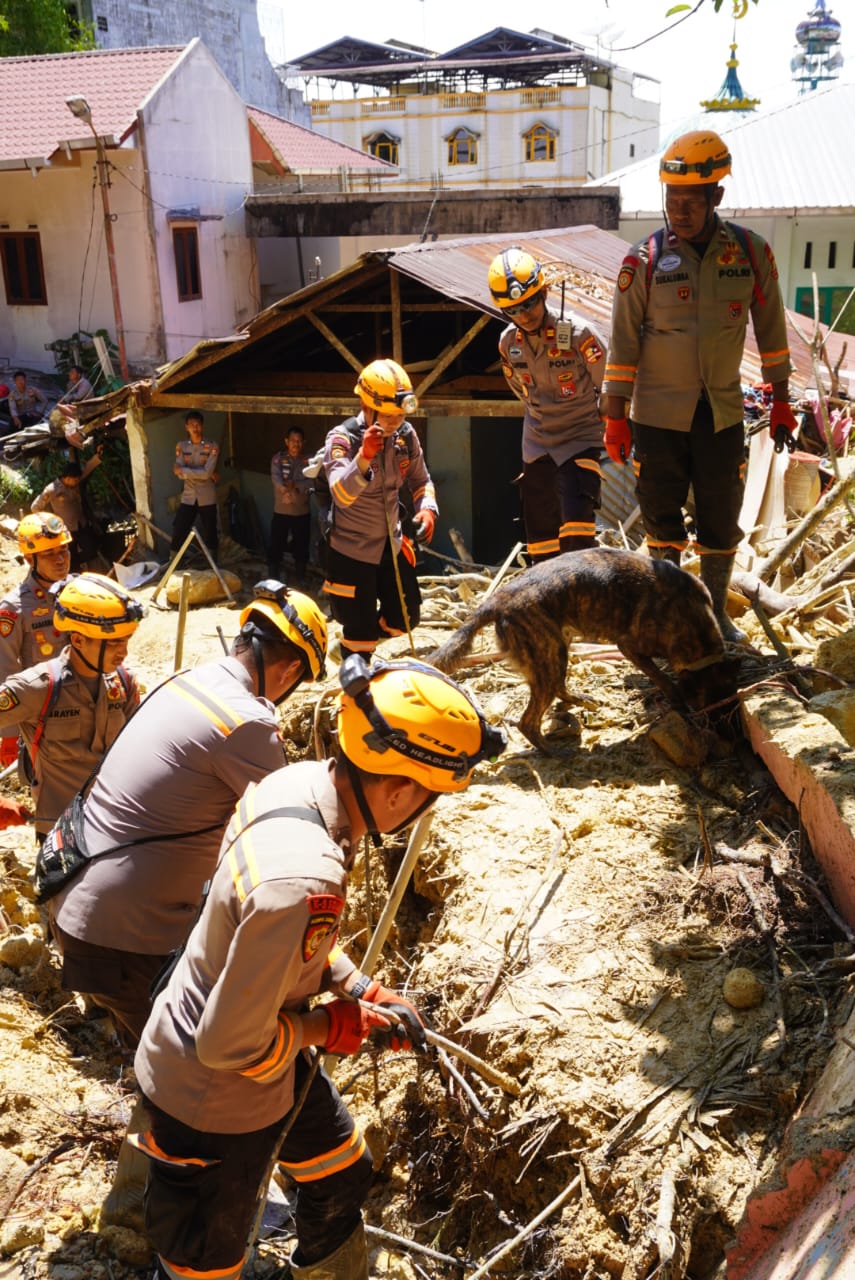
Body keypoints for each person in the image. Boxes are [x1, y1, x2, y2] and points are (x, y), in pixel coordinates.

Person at [132, 655, 507, 1280]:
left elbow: (284, 938)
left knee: (341, 1171)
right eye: (431, 799)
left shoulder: (303, 785)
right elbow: (227, 1044)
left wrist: (356, 985)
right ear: (398, 790)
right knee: (204, 1264)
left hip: (264, 1045)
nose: (425, 812)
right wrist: (328, 1027)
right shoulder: (305, 876)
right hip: (212, 1094)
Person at [45, 580, 327, 1235]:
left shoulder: (184, 682)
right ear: (286, 668)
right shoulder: (250, 721)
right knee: (221, 1067)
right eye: (295, 682)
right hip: (129, 935)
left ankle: (133, 1204)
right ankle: (186, 1230)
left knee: (167, 1062)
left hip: (82, 920)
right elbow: (289, 837)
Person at [600, 129, 797, 643]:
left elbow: (773, 333)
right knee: (662, 516)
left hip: (723, 412)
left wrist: (781, 400)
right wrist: (614, 416)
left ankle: (714, 616)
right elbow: (623, 343)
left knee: (720, 513)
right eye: (672, 199)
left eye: (692, 200)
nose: (680, 210)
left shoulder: (751, 254)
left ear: (717, 197)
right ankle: (668, 615)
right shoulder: (641, 260)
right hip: (657, 415)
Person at [0, 573, 142, 840]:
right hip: (61, 838)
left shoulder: (124, 683)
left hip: (114, 828)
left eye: (126, 640)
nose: (123, 652)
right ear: (77, 640)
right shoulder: (37, 687)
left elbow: (142, 753)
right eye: (113, 643)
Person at [488, 247, 607, 561]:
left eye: (530, 303)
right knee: (542, 546)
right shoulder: (507, 344)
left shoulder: (580, 335)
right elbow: (519, 388)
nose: (525, 315)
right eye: (514, 310)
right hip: (537, 446)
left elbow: (608, 386)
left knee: (577, 538)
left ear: (545, 293)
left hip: (579, 440)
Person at [322, 359, 438, 660]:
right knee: (360, 641)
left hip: (392, 544)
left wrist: (426, 509)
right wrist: (363, 457)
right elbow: (341, 494)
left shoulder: (405, 436)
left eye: (400, 415)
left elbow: (421, 479)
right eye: (388, 416)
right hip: (352, 552)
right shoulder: (341, 439)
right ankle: (354, 677)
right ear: (366, 404)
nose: (395, 422)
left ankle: (349, 646)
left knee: (406, 619)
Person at [0, 514, 73, 768]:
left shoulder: (80, 592)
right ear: (30, 559)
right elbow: (5, 670)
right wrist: (9, 733)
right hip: (44, 718)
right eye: (49, 553)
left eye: (64, 549)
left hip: (85, 707)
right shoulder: (15, 608)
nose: (61, 559)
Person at [31, 453, 103, 570]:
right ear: (67, 478)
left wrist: (97, 457)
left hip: (82, 524)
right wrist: (49, 523)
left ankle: (80, 565)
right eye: (75, 480)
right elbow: (35, 507)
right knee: (71, 556)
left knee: (91, 550)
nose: (77, 482)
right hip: (66, 529)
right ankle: (74, 574)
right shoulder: (52, 489)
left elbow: (87, 469)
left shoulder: (76, 482)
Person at [170, 410, 219, 562]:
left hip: (207, 496)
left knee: (210, 531)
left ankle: (213, 563)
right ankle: (174, 561)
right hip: (189, 496)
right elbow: (177, 472)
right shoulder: (182, 446)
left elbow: (206, 474)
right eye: (191, 425)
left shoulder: (212, 446)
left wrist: (185, 471)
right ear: (186, 427)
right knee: (179, 527)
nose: (195, 428)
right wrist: (203, 473)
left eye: (197, 425)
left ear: (202, 426)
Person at [269, 426, 312, 585]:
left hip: (301, 511)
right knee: (276, 544)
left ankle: (301, 578)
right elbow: (276, 478)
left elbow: (312, 481)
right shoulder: (278, 459)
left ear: (304, 443)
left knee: (302, 546)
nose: (296, 444)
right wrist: (284, 490)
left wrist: (295, 486)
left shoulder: (309, 461)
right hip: (282, 510)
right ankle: (273, 578)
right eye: (293, 441)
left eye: (299, 441)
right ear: (286, 442)